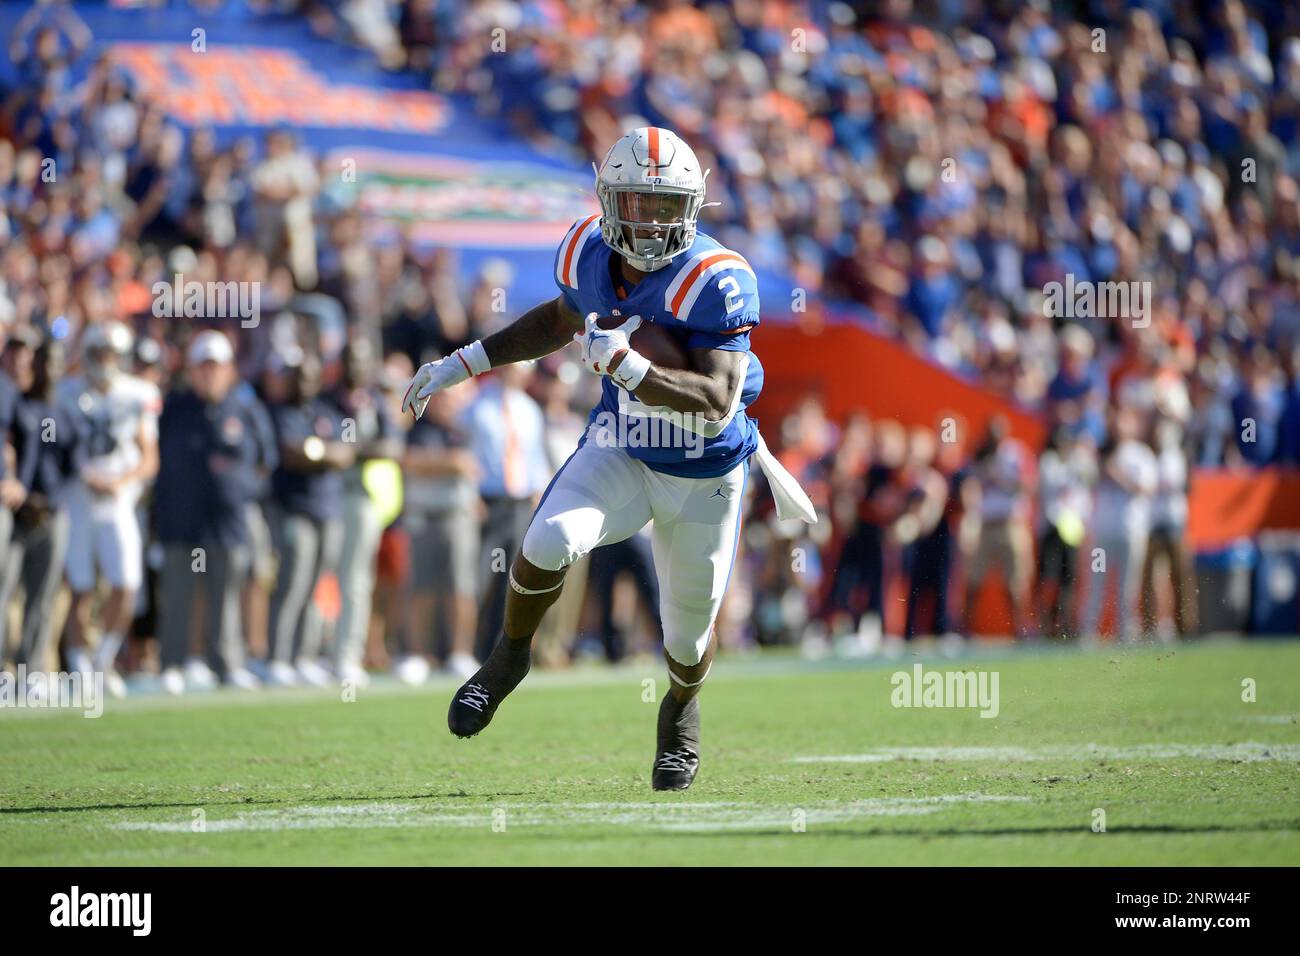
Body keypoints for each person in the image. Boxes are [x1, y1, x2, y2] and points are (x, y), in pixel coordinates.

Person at [402, 127, 814, 790]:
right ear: (607, 200)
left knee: (685, 639)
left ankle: (680, 710)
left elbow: (714, 398)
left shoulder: (717, 278)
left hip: (704, 473)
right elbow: (559, 319)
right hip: (620, 448)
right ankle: (509, 657)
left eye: (664, 205)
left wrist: (628, 366)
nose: (650, 221)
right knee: (548, 539)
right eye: (637, 203)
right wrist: (466, 362)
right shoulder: (586, 251)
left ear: (692, 207)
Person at [153, 331, 268, 694]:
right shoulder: (174, 408)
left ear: (229, 370)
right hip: (181, 520)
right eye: (202, 367)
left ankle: (227, 664)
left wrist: (240, 486)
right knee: (178, 596)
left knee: (226, 596)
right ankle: (172, 664)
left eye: (215, 367)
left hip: (227, 521)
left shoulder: (245, 408)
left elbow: (266, 461)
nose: (209, 374)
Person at [56, 321, 160, 687]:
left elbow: (149, 457)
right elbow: (54, 448)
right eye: (99, 353)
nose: (105, 360)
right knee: (80, 585)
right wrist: (84, 476)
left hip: (118, 501)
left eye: (111, 353)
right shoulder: (66, 392)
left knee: (127, 581)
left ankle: (103, 659)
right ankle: (78, 663)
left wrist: (120, 481)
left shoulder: (137, 394)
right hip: (78, 499)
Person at [263, 353, 353, 687]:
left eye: (309, 377)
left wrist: (319, 452)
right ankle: (278, 657)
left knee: (316, 586)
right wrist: (322, 453)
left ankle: (304, 656)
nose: (303, 384)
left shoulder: (325, 413)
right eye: (298, 377)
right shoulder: (281, 413)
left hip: (327, 510)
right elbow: (293, 454)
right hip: (294, 508)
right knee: (292, 583)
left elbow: (346, 451)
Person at [330, 338, 404, 685]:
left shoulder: (374, 402)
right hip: (321, 497)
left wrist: (352, 452)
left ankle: (346, 654)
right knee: (317, 577)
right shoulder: (325, 398)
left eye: (360, 360)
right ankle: (307, 654)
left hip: (360, 496)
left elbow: (392, 445)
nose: (354, 367)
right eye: (349, 359)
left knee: (355, 580)